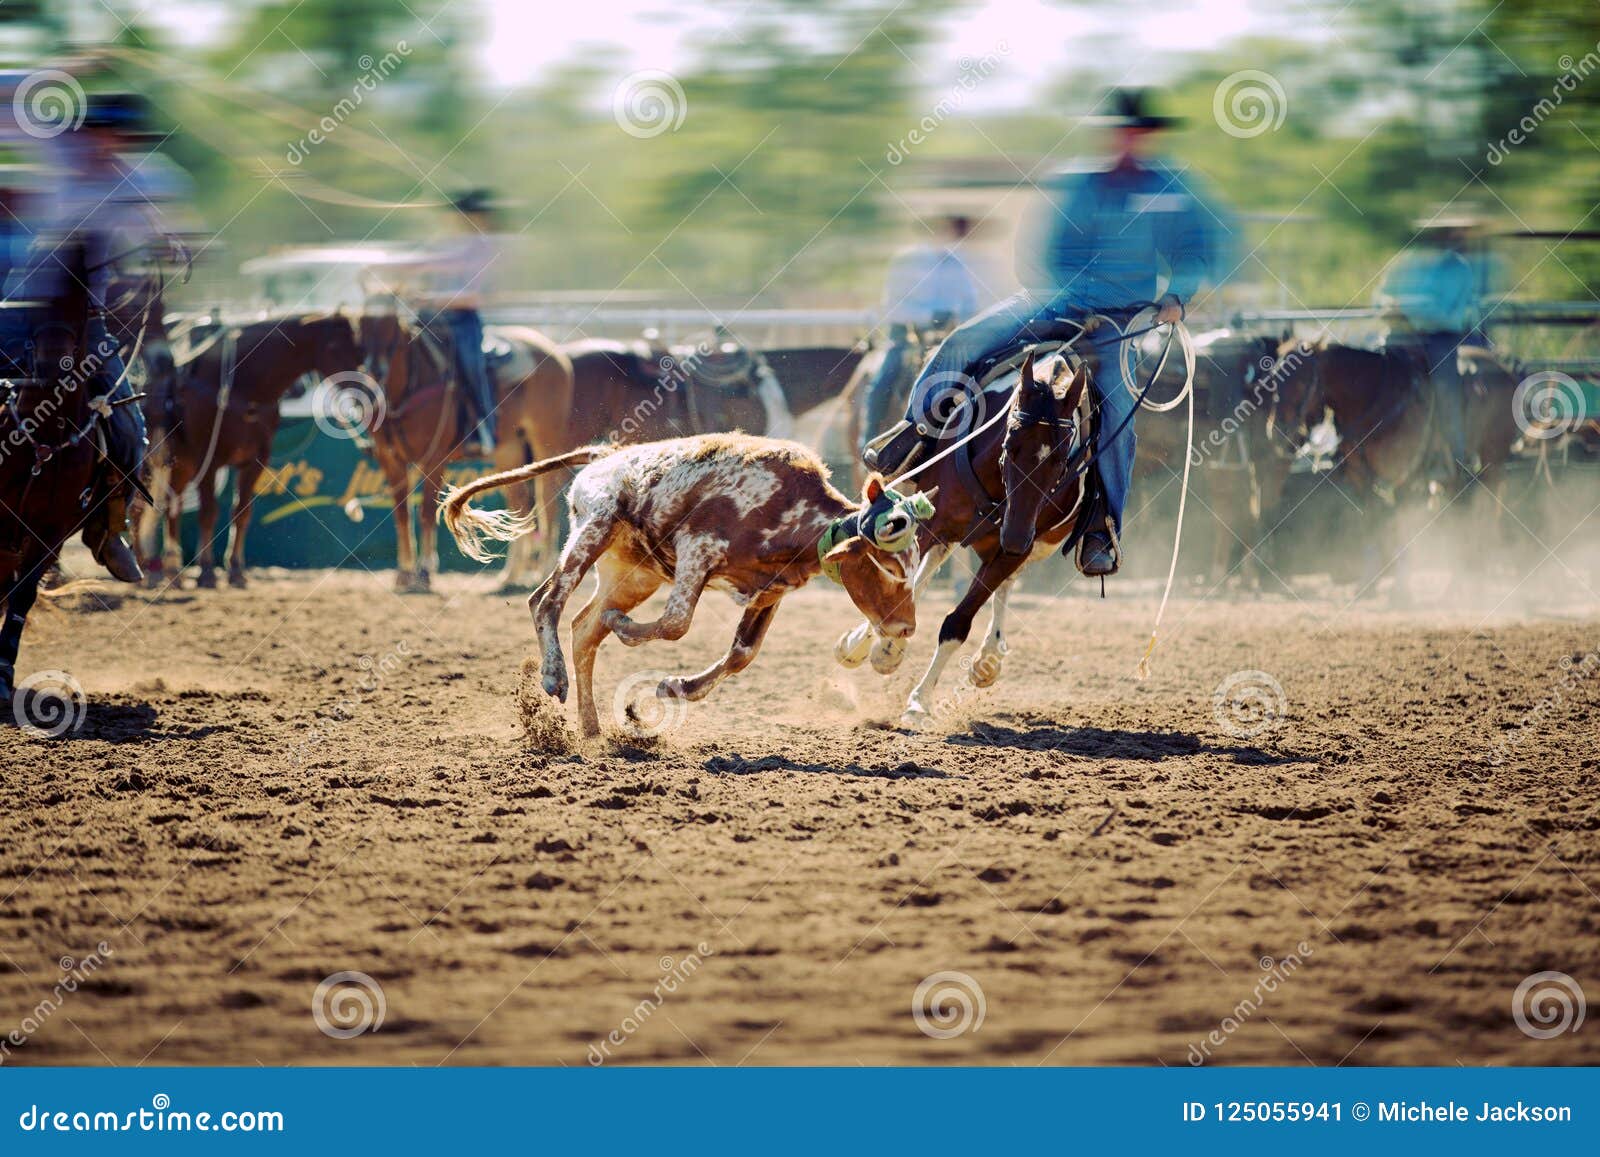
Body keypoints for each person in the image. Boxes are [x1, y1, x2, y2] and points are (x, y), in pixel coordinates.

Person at [865, 88, 1233, 576]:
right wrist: (1075, 300)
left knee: (1117, 412)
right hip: (1056, 302)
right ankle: (915, 432)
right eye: (1123, 132)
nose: (1130, 140)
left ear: (1147, 137)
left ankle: (1101, 527)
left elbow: (1197, 248)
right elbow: (1049, 254)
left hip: (1122, 318)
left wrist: (1178, 294)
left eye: (1138, 133)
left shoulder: (1171, 189)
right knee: (963, 343)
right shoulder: (1079, 183)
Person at [19, 90, 178, 583]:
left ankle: (109, 532)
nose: (107, 143)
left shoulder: (139, 182)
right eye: (99, 132)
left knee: (129, 426)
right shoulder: (57, 159)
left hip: (86, 325)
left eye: (118, 135)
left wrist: (173, 241)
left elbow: (161, 223)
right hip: (21, 315)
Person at [1374, 211, 1485, 479]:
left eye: (1445, 232)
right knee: (1373, 379)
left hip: (1440, 338)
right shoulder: (1405, 262)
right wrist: (1389, 307)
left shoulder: (1459, 269)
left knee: (1446, 388)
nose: (1442, 237)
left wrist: (1405, 310)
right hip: (1399, 335)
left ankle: (1454, 458)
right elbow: (1380, 295)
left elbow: (1448, 315)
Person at [393, 189, 503, 454]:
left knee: (471, 365)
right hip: (429, 320)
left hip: (463, 323)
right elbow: (433, 265)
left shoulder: (483, 249)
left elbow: (474, 296)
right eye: (461, 216)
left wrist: (429, 297)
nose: (463, 222)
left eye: (469, 216)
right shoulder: (447, 246)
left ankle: (484, 428)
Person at [861, 214, 984, 450]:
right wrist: (932, 317)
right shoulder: (907, 260)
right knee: (884, 379)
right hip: (906, 336)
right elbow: (893, 307)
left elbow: (970, 303)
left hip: (947, 338)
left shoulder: (958, 263)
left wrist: (962, 319)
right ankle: (868, 443)